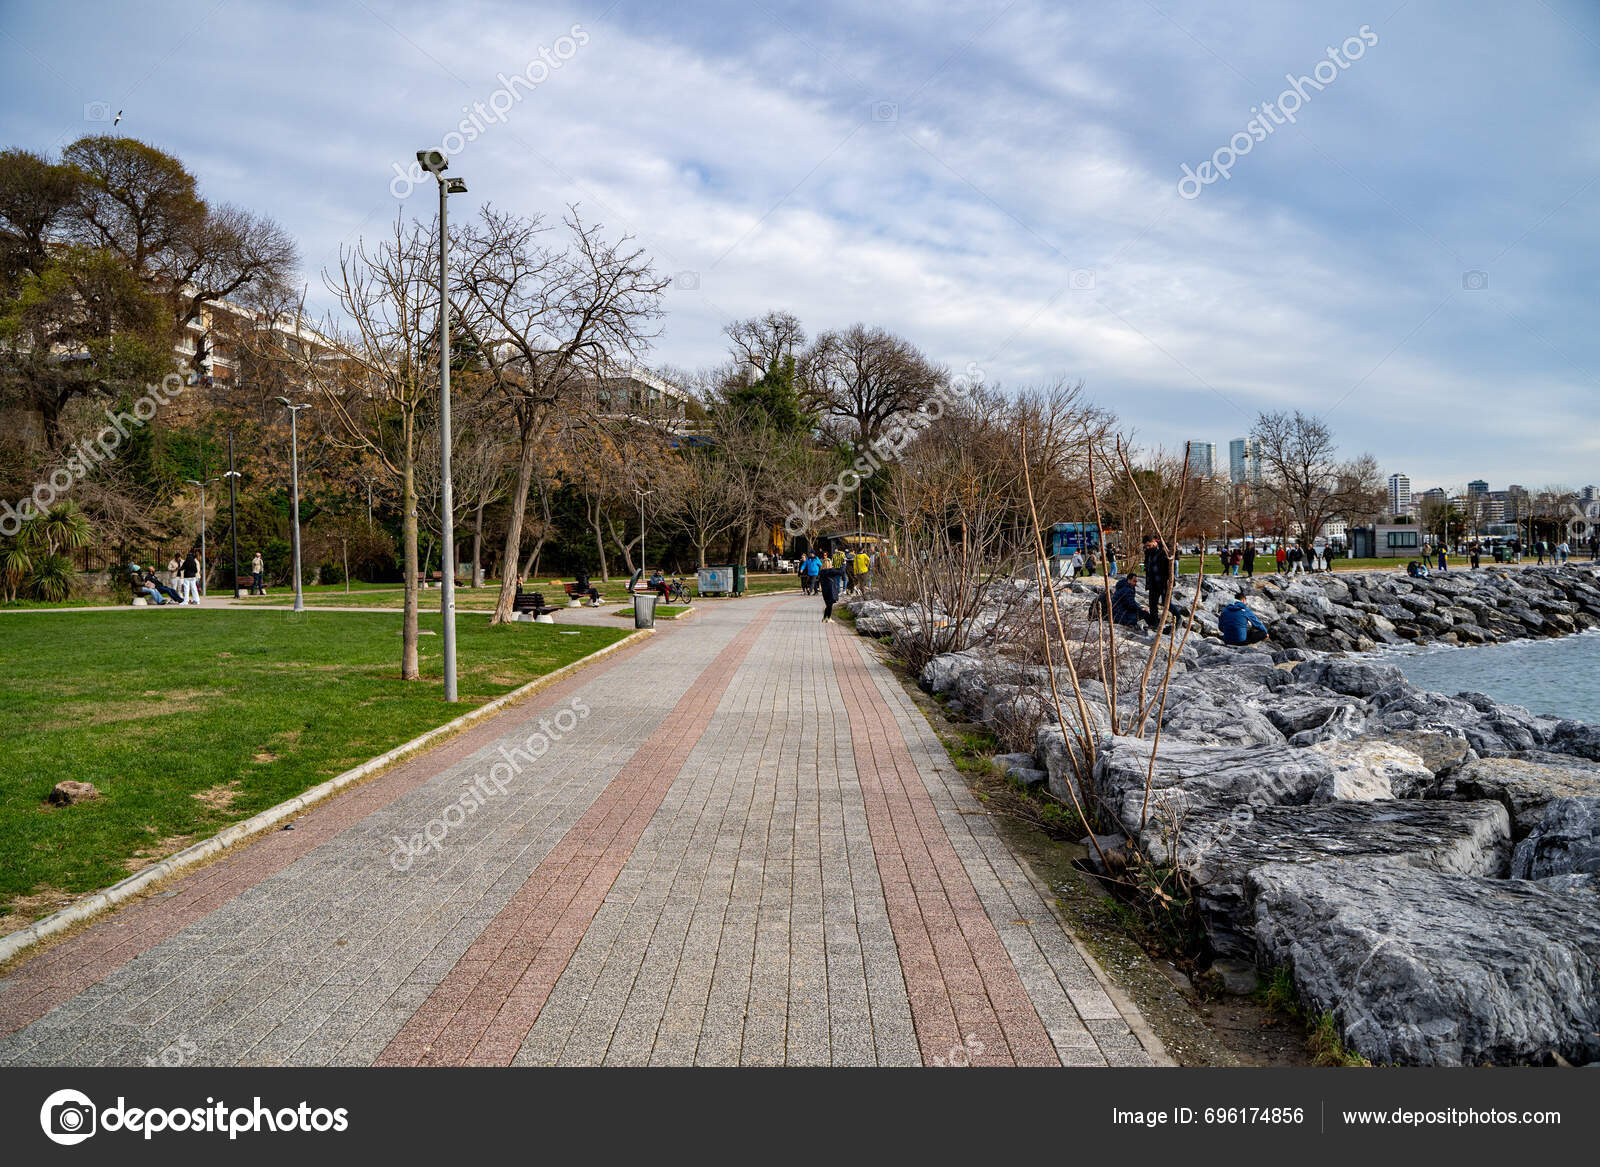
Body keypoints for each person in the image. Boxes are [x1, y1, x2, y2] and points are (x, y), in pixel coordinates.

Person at [1141, 535, 1170, 630]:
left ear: (1154, 541)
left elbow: (1169, 566)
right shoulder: (1148, 552)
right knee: (1153, 604)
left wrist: (1169, 580)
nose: (1148, 547)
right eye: (1146, 546)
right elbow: (1147, 563)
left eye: (1149, 545)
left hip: (1163, 582)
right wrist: (1145, 566)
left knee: (1167, 603)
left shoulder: (1164, 549)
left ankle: (1178, 618)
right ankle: (1155, 624)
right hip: (1153, 582)